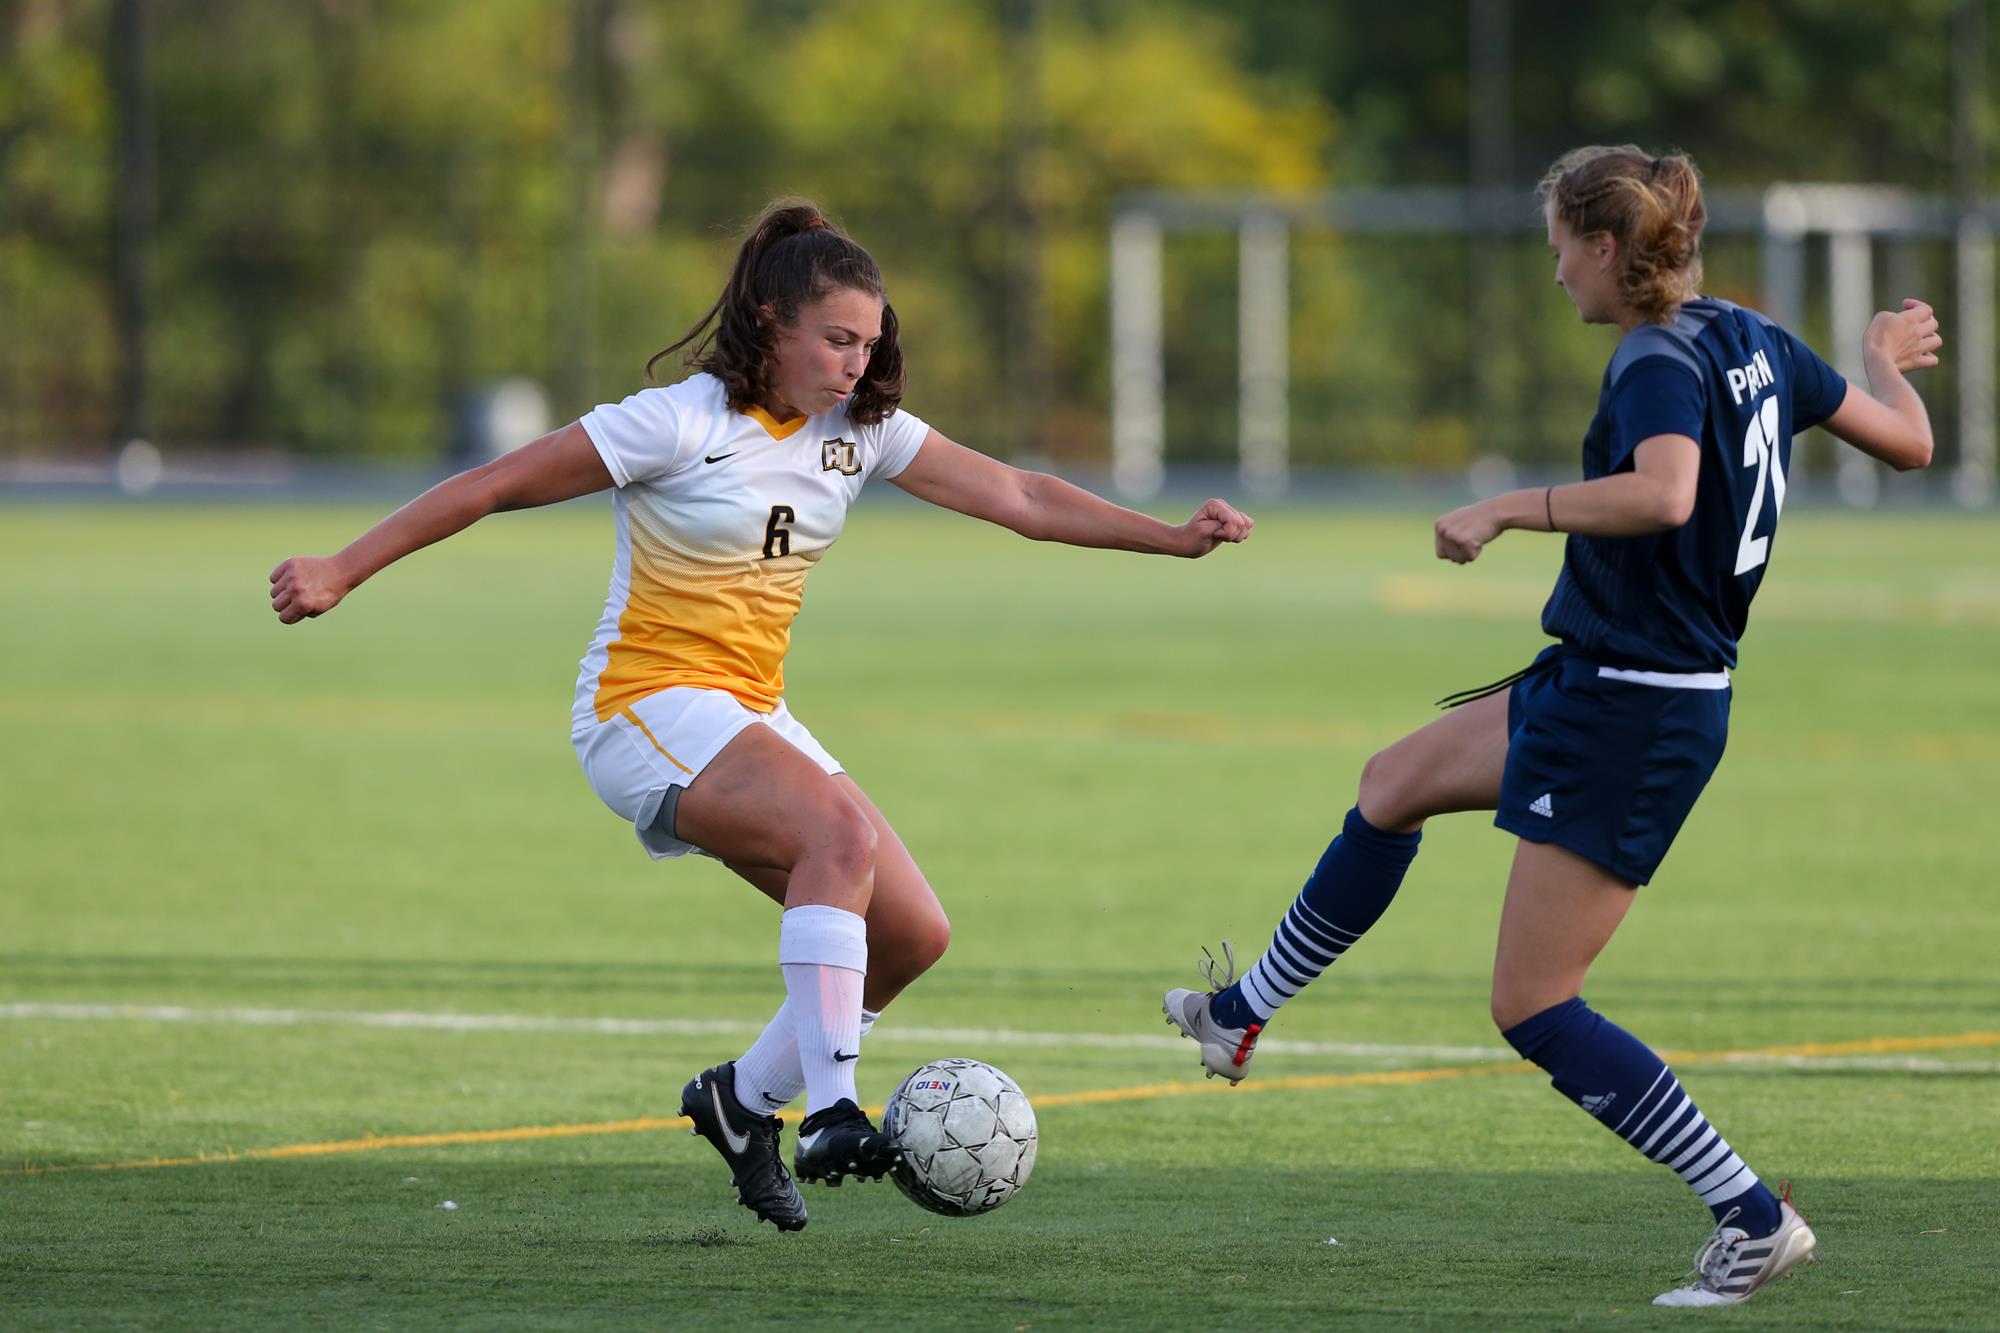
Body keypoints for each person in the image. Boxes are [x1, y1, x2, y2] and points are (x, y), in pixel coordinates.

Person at [269, 200, 1251, 1231]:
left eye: (868, 345)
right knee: (840, 833)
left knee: (911, 932)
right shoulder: (678, 421)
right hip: (640, 708)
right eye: (836, 340)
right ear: (771, 322)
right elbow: (491, 485)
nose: (853, 364)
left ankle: (741, 1104)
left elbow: (1023, 495)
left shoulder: (858, 432)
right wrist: (343, 565)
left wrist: (1170, 538)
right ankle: (829, 1106)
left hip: (746, 710)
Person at [1162, 146, 1939, 1307]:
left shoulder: (1653, 358)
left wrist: (1504, 508)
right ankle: (1239, 1016)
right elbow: (1911, 443)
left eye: (1558, 251)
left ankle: (1750, 1214)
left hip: (1637, 709)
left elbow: (1666, 491)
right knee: (1391, 782)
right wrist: (1880, 363)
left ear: (1606, 247)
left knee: (1531, 1002)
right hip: (1596, 679)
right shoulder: (1750, 336)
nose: (1551, 274)